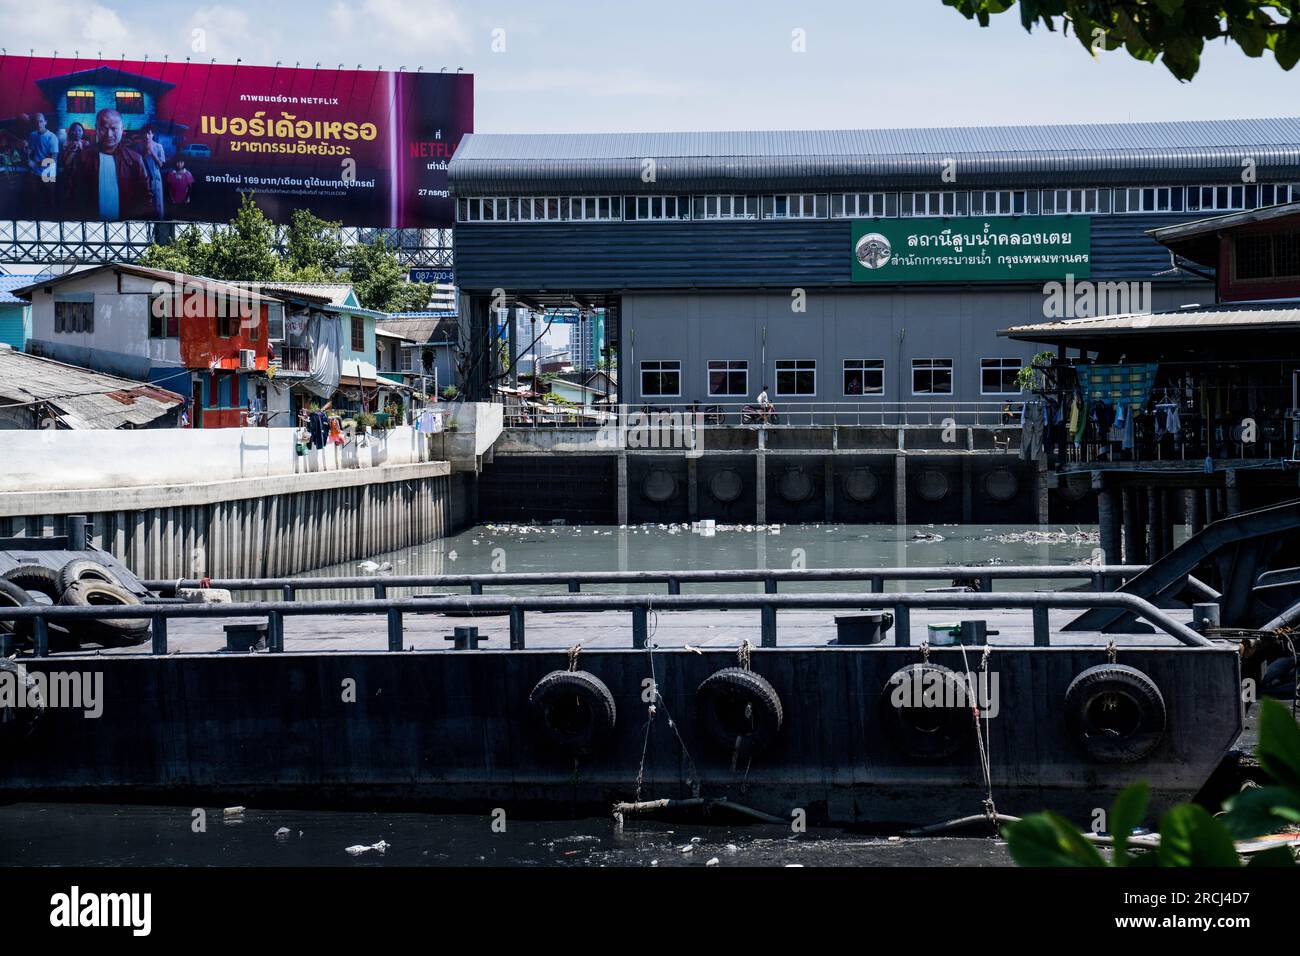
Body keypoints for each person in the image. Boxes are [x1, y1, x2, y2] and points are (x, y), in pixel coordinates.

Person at [62, 108, 153, 221]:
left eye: (114, 129)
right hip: (91, 228)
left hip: (127, 228)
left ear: (122, 129)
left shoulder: (134, 160)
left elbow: (145, 197)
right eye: (104, 129)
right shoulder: (83, 158)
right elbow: (74, 193)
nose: (109, 134)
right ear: (97, 128)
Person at [141, 127, 166, 220]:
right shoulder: (140, 147)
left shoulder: (158, 146)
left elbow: (160, 164)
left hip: (156, 179)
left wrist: (152, 152)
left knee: (158, 203)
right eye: (145, 134)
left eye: (149, 133)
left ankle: (160, 221)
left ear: (152, 134)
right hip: (144, 180)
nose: (147, 136)